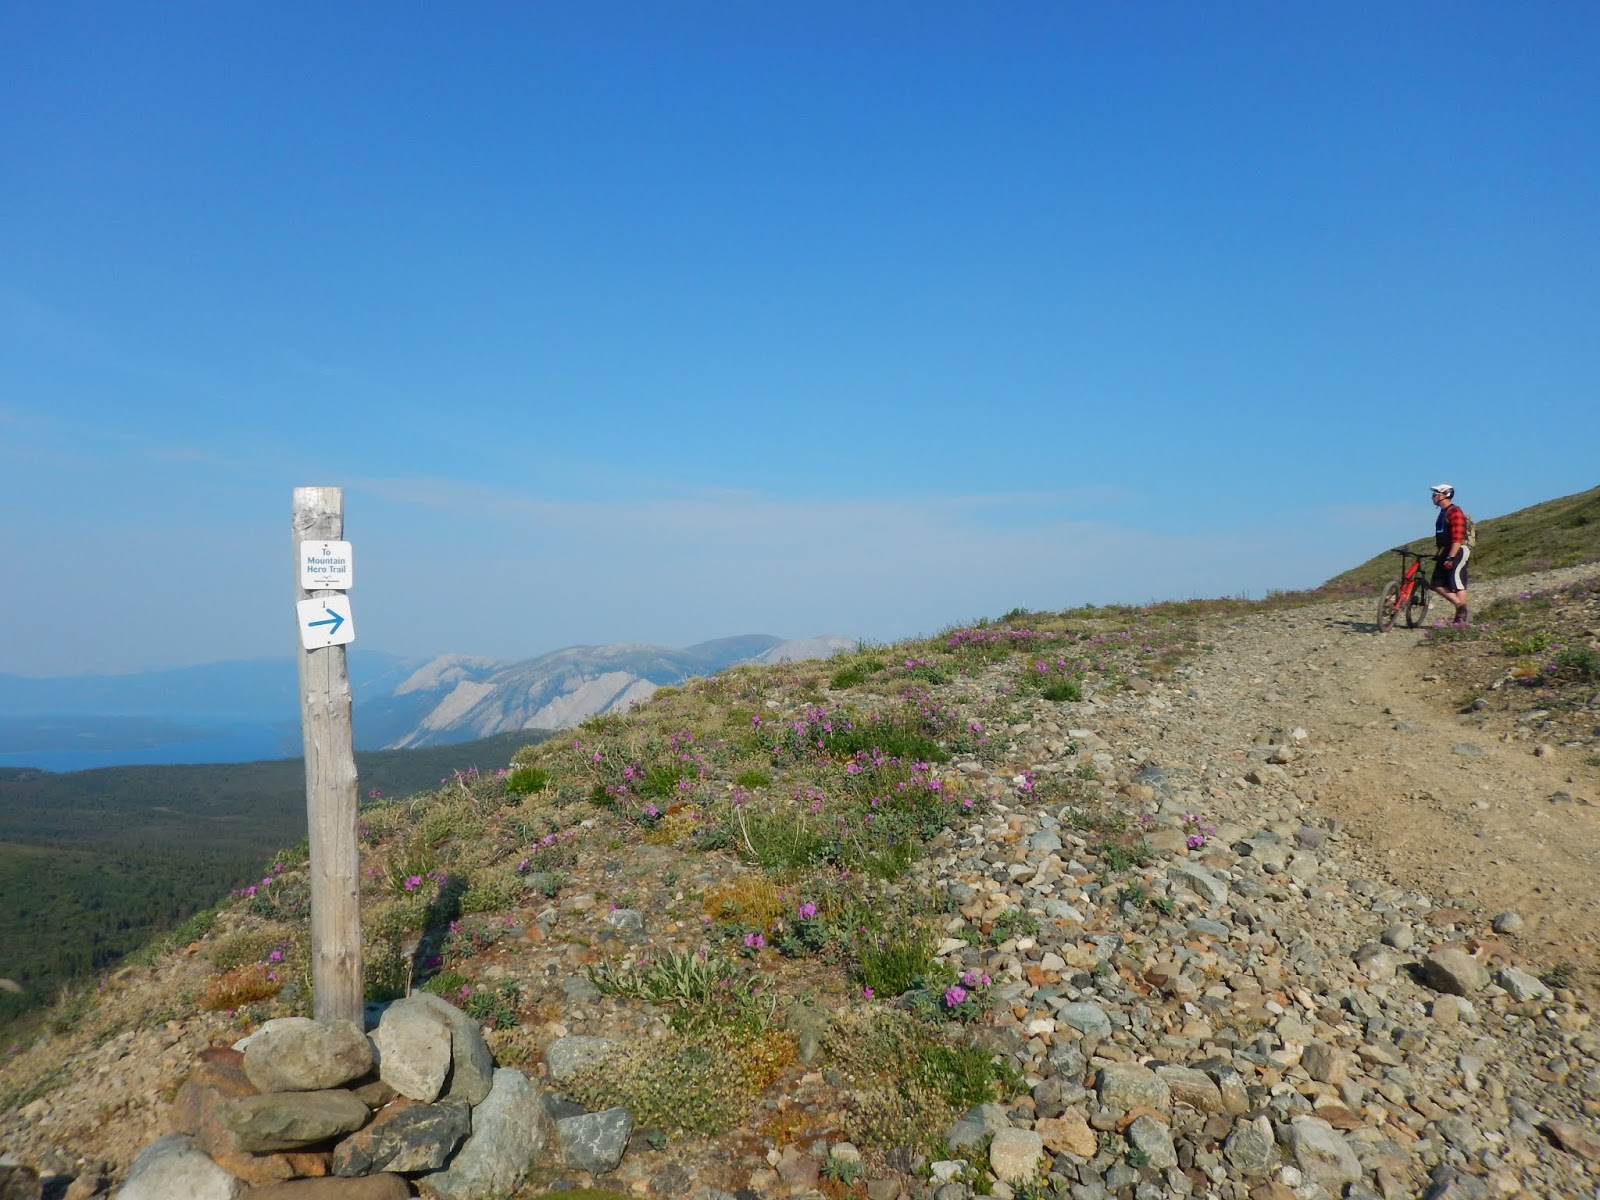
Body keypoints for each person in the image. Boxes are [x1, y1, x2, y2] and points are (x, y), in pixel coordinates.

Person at [1429, 484, 1470, 624]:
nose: (1432, 497)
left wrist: (1451, 557)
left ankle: (1461, 617)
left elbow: (1457, 537)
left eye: (1435, 494)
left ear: (1444, 495)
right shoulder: (1444, 512)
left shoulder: (1455, 511)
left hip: (1457, 550)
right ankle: (1460, 609)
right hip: (1447, 550)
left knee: (1457, 583)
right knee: (1436, 583)